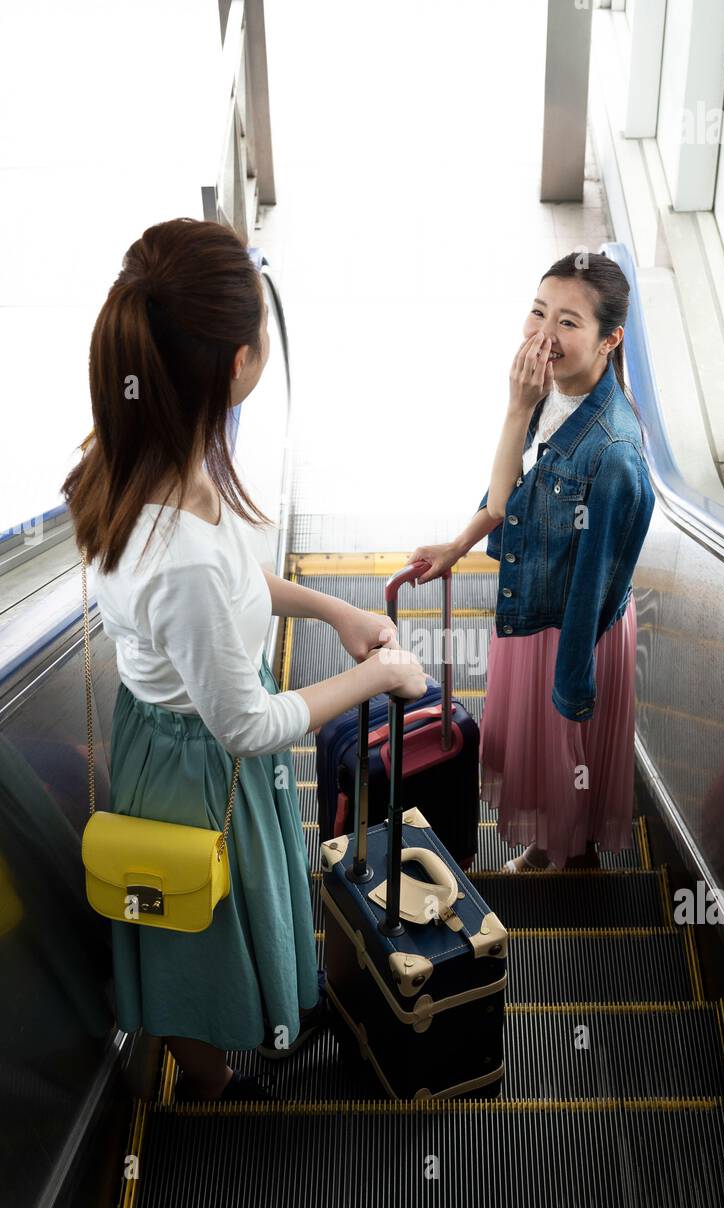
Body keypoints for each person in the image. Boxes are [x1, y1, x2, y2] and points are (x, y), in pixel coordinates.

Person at [62, 217, 428, 1101]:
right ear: (237, 365)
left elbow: (233, 580)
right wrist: (379, 676)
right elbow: (248, 724)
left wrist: (331, 607)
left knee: (209, 921)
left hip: (175, 736)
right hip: (201, 761)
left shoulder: (142, 454)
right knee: (202, 930)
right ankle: (217, 1083)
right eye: (261, 329)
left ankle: (240, 1047)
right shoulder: (177, 537)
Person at [410, 251, 654, 871]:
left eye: (569, 322)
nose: (545, 334)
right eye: (538, 312)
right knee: (543, 757)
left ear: (610, 340)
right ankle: (551, 847)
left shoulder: (616, 453)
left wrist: (571, 683)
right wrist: (459, 544)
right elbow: (508, 493)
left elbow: (597, 584)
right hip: (530, 614)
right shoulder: (547, 393)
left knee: (567, 751)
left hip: (573, 631)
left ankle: (572, 860)